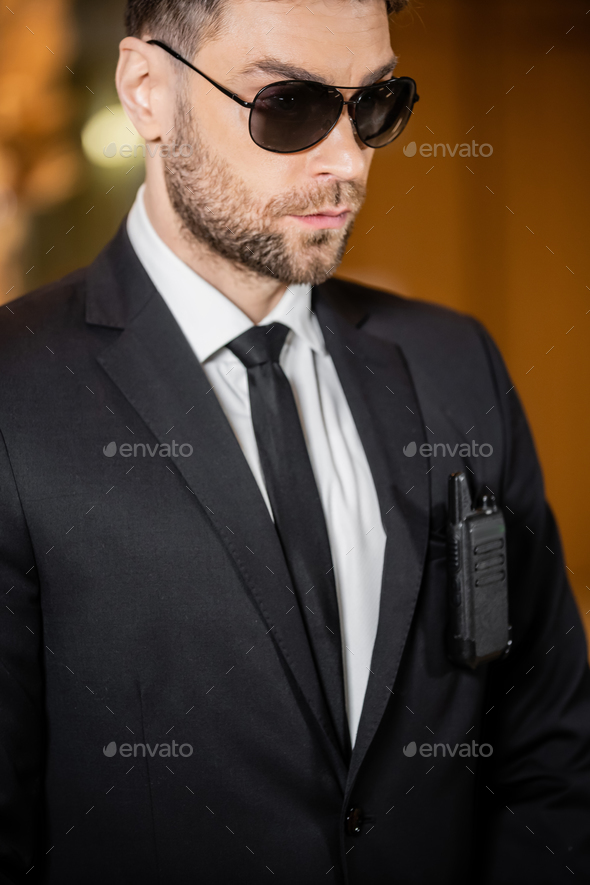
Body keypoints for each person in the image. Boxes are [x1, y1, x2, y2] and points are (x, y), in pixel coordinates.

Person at [1, 0, 589, 882]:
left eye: (378, 106)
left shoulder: (455, 363)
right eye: (289, 105)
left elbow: (549, 748)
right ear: (148, 89)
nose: (349, 160)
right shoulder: (15, 387)